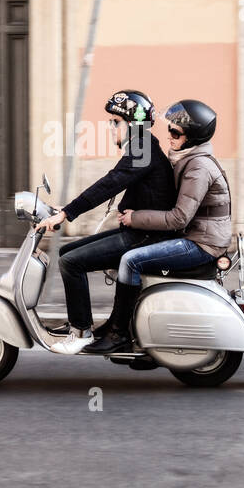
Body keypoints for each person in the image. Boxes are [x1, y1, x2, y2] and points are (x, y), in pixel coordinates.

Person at [84, 99, 232, 354]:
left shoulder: (198, 166)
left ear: (192, 137)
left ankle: (119, 333)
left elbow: (179, 218)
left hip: (201, 244)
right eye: (170, 130)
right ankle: (119, 326)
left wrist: (136, 217)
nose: (170, 136)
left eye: (176, 133)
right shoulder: (188, 158)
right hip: (198, 236)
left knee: (131, 260)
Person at [34, 90, 177, 339]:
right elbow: (114, 181)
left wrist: (67, 213)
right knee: (67, 252)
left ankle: (81, 330)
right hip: (139, 232)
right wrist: (65, 210)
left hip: (145, 237)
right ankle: (82, 323)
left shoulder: (143, 148)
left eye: (115, 121)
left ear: (133, 124)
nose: (111, 127)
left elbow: (111, 183)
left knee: (70, 262)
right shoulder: (144, 147)